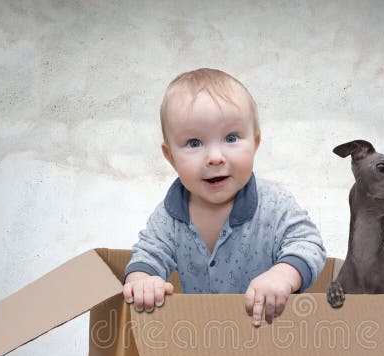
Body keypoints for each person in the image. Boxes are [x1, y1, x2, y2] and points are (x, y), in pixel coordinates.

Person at [123, 68, 326, 326]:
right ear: (170, 156)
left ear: (255, 142)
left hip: (271, 333)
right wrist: (141, 281)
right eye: (194, 143)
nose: (215, 157)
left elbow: (308, 244)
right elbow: (148, 254)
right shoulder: (169, 215)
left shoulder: (274, 205)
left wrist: (282, 276)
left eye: (231, 138)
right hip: (205, 337)